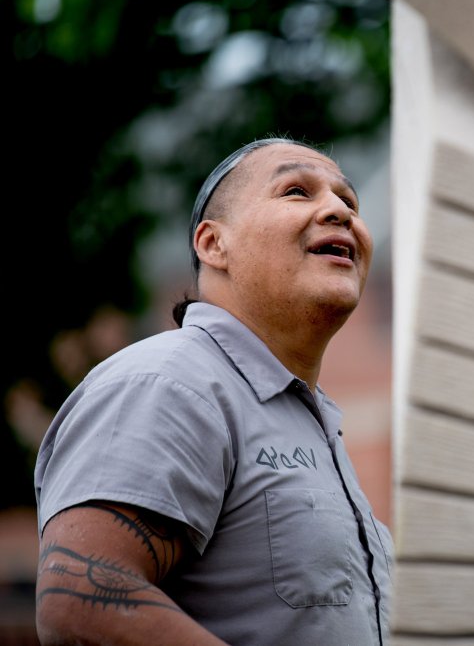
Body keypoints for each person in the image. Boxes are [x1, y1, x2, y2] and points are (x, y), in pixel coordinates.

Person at [33, 137, 393, 645]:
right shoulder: (168, 382)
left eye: (349, 202)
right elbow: (80, 608)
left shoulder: (310, 421)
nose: (338, 210)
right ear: (212, 244)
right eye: (295, 191)